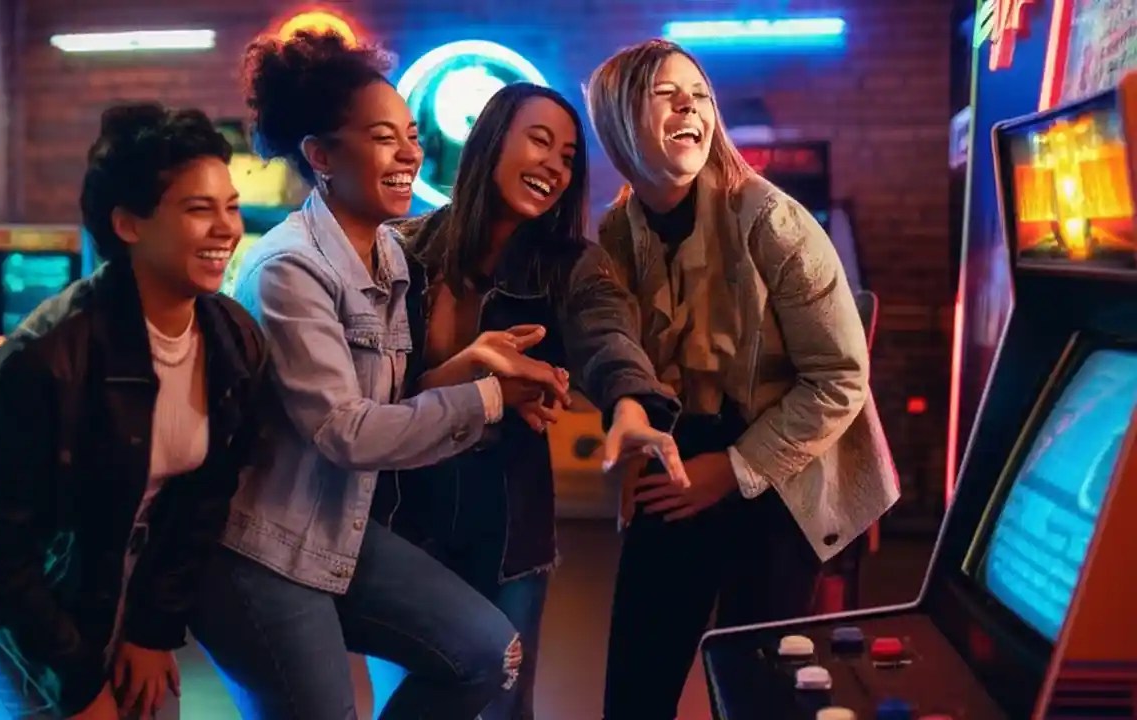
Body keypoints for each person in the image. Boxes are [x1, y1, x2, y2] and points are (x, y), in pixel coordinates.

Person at [190, 31, 571, 720]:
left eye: (412, 136)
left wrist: (476, 361)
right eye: (382, 138)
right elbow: (347, 432)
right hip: (264, 550)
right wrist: (488, 398)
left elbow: (392, 404)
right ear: (321, 156)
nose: (408, 154)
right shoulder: (289, 269)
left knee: (490, 654)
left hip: (342, 531)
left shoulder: (390, 257)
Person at [585, 39, 900, 718]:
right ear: (618, 118)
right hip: (681, 452)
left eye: (699, 95)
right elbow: (612, 348)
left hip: (785, 468)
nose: (690, 107)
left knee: (754, 692)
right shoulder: (616, 232)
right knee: (635, 684)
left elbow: (841, 379)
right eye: (666, 94)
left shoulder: (772, 220)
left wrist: (729, 471)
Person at [0, 102, 276, 720]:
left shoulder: (234, 341)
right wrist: (79, 687)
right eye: (198, 209)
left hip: (117, 579)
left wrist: (151, 630)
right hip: (11, 593)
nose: (226, 228)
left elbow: (202, 501)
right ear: (128, 224)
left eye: (230, 206)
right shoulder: (43, 360)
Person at [365, 83, 685, 719]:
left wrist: (630, 403)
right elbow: (370, 399)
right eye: (540, 141)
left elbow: (608, 336)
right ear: (491, 140)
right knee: (410, 703)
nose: (555, 167)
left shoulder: (571, 265)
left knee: (505, 707)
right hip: (401, 523)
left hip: (508, 532)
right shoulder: (400, 250)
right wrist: (477, 379)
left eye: (568, 157)